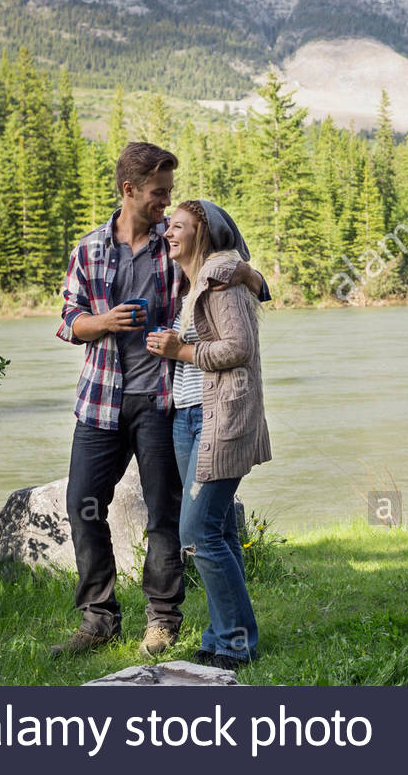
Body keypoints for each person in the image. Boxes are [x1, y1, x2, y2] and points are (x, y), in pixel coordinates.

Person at [52, 143, 267, 658]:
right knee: (82, 506)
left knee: (164, 514)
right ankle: (99, 619)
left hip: (162, 402)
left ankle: (162, 619)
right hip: (101, 401)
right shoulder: (89, 250)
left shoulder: (175, 243)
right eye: (157, 193)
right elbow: (67, 321)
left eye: (169, 192)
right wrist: (103, 323)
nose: (165, 203)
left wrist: (248, 275)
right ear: (129, 190)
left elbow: (241, 278)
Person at [148, 199, 271, 669]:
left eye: (178, 227)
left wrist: (180, 351)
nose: (169, 233)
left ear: (204, 232)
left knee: (197, 531)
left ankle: (237, 643)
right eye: (168, 227)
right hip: (190, 415)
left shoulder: (220, 276)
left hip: (219, 417)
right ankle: (222, 636)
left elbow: (238, 348)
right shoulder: (197, 283)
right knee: (215, 528)